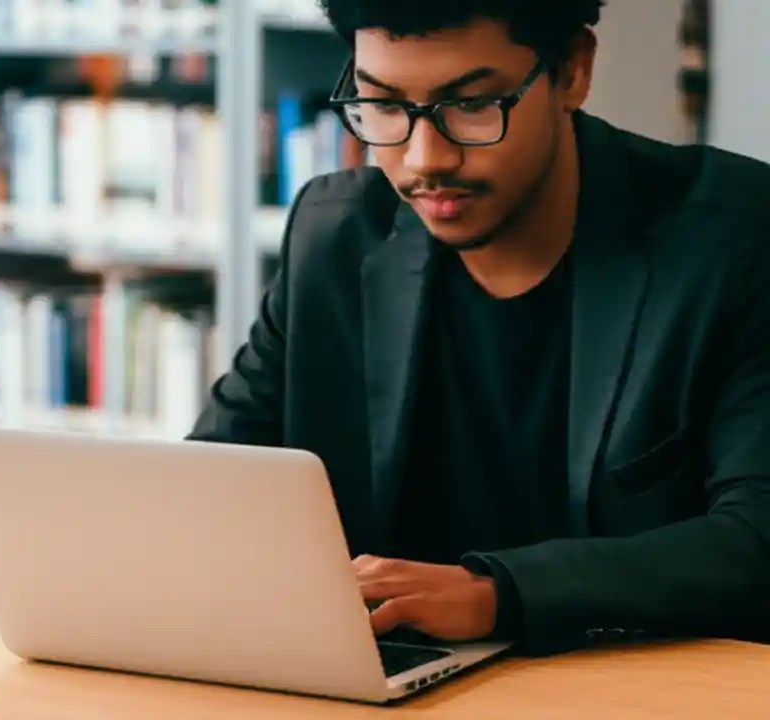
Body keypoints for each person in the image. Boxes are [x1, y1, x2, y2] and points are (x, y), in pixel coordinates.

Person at [189, 0, 770, 655]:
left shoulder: (735, 235)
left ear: (573, 71)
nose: (421, 158)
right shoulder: (339, 235)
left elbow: (756, 540)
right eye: (382, 105)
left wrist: (499, 594)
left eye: (470, 105)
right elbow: (208, 487)